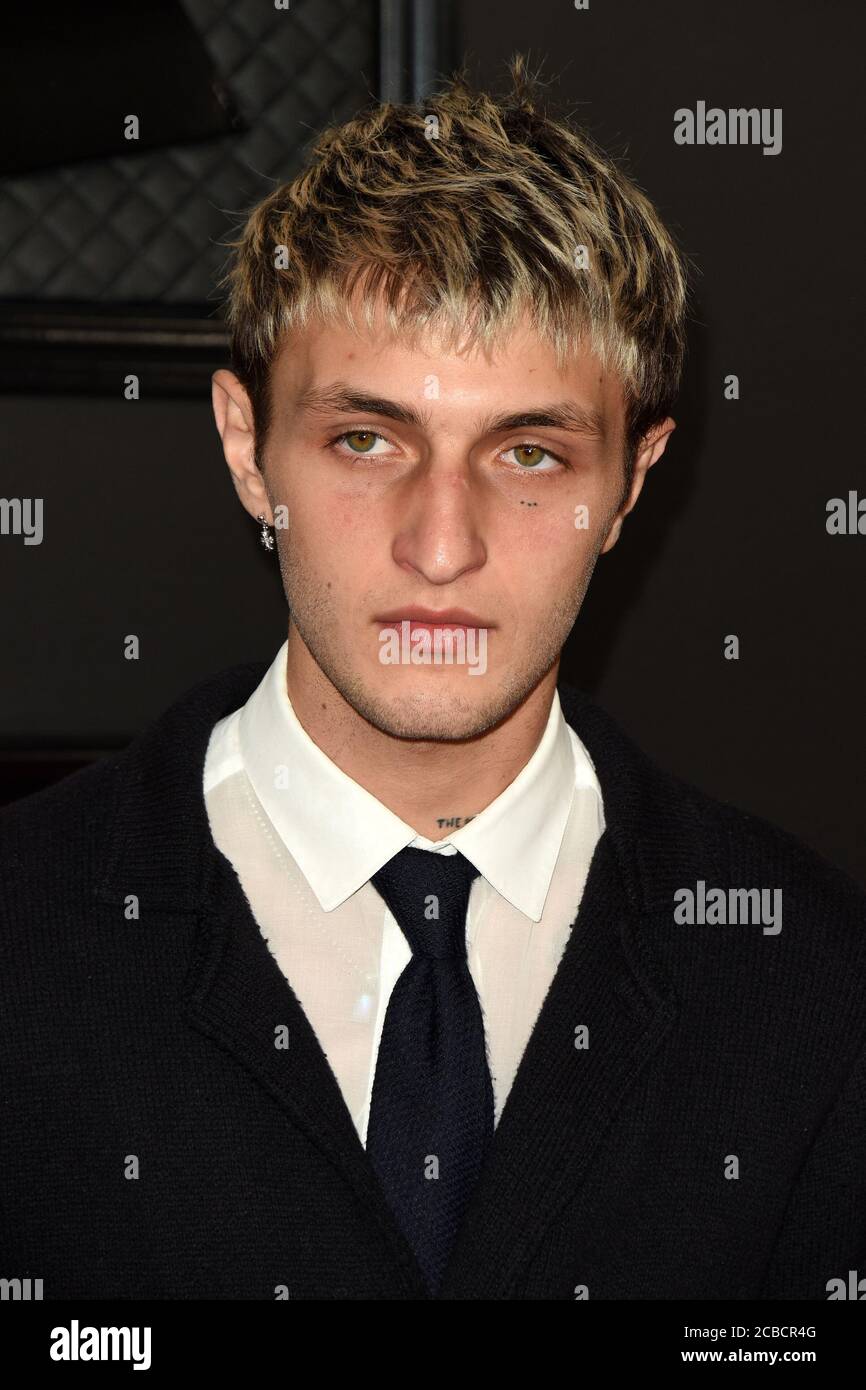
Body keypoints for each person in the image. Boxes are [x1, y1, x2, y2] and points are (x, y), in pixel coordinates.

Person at [2, 57, 865, 1302]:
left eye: (529, 452)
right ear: (249, 450)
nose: (442, 543)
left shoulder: (814, 993)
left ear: (629, 480)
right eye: (366, 439)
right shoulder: (21, 947)